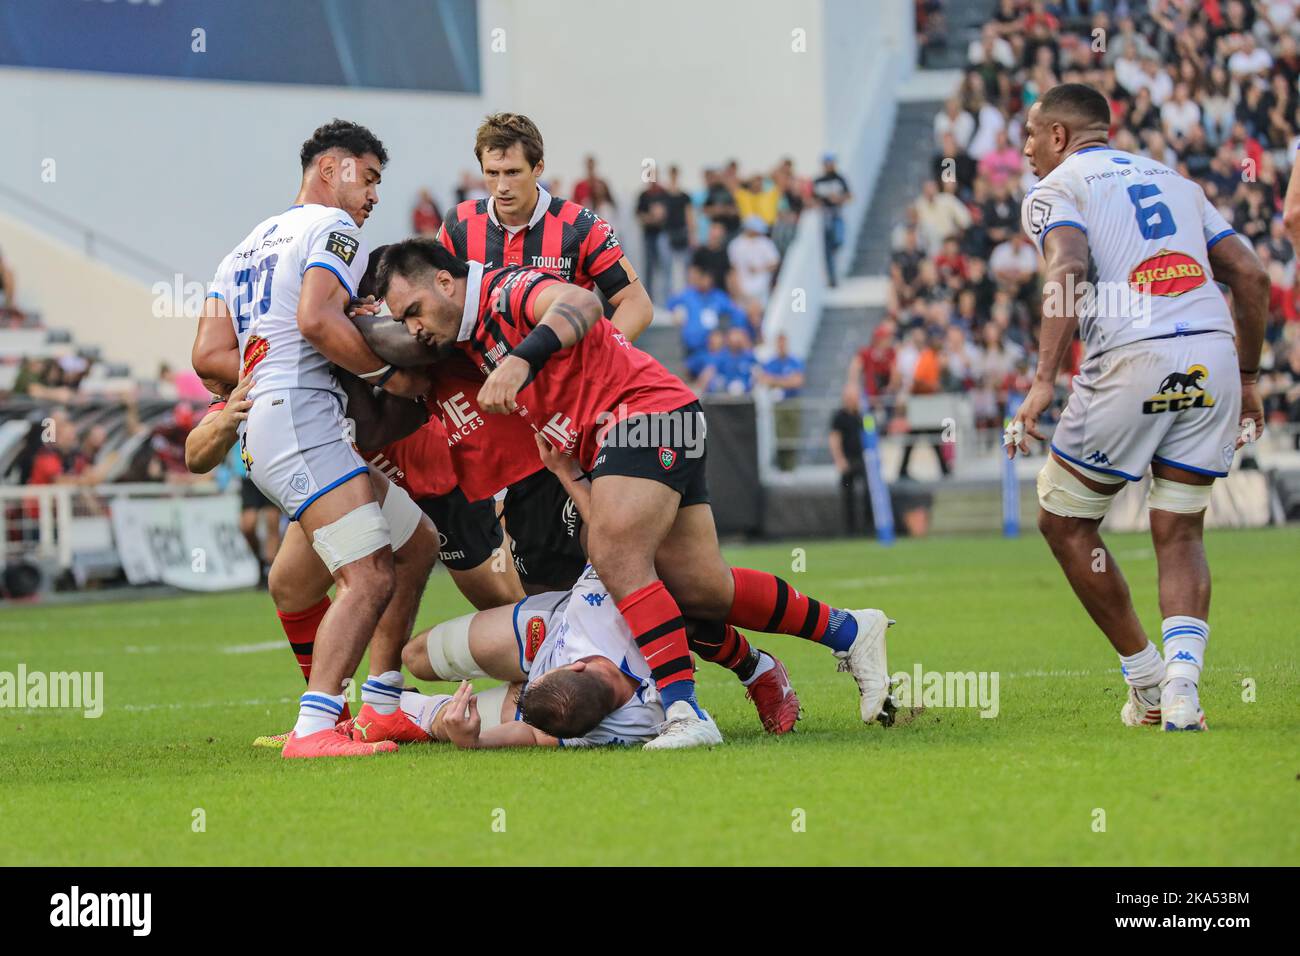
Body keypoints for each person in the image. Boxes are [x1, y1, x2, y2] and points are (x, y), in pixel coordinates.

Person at [377, 240, 895, 746]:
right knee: (702, 588)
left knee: (613, 552)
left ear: (446, 281)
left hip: (641, 418)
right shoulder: (456, 340)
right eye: (402, 320)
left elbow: (580, 301)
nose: (413, 327)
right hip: (650, 424)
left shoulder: (501, 290)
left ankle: (684, 710)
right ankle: (849, 631)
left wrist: (522, 360)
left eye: (414, 311)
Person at [1008, 83, 1267, 733]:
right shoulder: (1178, 181)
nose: (1027, 151)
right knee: (1180, 529)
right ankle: (1182, 690)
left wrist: (1043, 379)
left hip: (1130, 356)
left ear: (1061, 136)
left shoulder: (1057, 188)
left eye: (1032, 137)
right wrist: (1252, 377)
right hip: (1211, 356)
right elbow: (1253, 274)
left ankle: (1147, 680)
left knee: (1064, 522)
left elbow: (1066, 265)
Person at [191, 120, 432, 758]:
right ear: (331, 168)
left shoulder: (240, 248)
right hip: (301, 419)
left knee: (416, 543)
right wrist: (389, 374)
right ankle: (316, 728)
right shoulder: (334, 228)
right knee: (370, 576)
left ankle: (380, 707)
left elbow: (209, 355)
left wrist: (259, 374)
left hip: (273, 421)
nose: (375, 195)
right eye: (370, 177)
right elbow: (316, 320)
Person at [435, 113, 654, 593]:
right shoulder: (459, 225)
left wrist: (598, 372)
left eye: (512, 172)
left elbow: (635, 303)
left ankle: (632, 634)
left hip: (572, 409)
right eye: (491, 174)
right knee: (531, 551)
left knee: (603, 538)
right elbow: (440, 304)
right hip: (501, 413)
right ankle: (551, 655)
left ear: (538, 168)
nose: (501, 186)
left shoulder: (579, 226)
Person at [758, 333, 806, 471]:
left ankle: (791, 467)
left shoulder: (794, 361)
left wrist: (776, 381)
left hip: (792, 402)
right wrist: (786, 381)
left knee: (792, 436)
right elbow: (764, 380)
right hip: (778, 404)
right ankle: (782, 467)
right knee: (779, 436)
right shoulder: (771, 363)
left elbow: (798, 381)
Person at [829, 385, 867, 534]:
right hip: (848, 459)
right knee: (847, 494)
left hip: (862, 459)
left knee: (867, 493)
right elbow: (834, 439)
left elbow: (870, 434)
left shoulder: (862, 416)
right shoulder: (840, 416)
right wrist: (839, 459)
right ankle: (850, 528)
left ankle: (866, 525)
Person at [812, 154, 851, 286]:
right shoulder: (818, 181)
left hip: (837, 213)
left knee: (838, 240)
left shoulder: (840, 179)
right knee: (827, 247)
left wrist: (838, 199)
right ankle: (832, 277)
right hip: (825, 215)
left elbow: (849, 195)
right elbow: (813, 198)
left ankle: (836, 267)